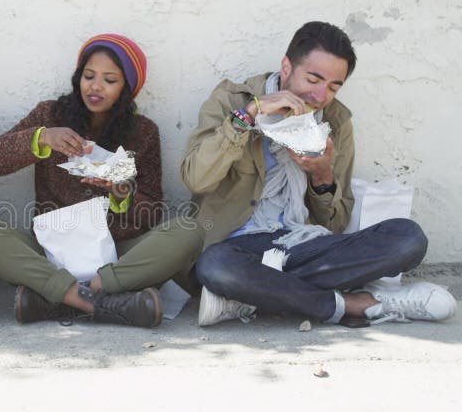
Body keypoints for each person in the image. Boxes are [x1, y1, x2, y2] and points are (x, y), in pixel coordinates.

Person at [181, 21, 456, 327]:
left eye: (334, 86)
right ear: (286, 67)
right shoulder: (232, 100)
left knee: (408, 238)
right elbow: (196, 178)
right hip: (238, 247)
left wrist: (322, 175)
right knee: (215, 266)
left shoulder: (336, 122)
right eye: (313, 79)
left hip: (304, 244)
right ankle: (357, 303)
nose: (320, 95)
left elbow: (334, 224)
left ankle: (250, 294)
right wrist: (249, 115)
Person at [0, 34, 204, 328]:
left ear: (127, 89)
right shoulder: (50, 115)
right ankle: (99, 303)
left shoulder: (143, 133)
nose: (95, 86)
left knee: (190, 231)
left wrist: (121, 192)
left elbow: (153, 212)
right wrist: (40, 138)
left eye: (110, 80)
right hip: (51, 253)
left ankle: (61, 298)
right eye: (88, 76)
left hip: (114, 257)